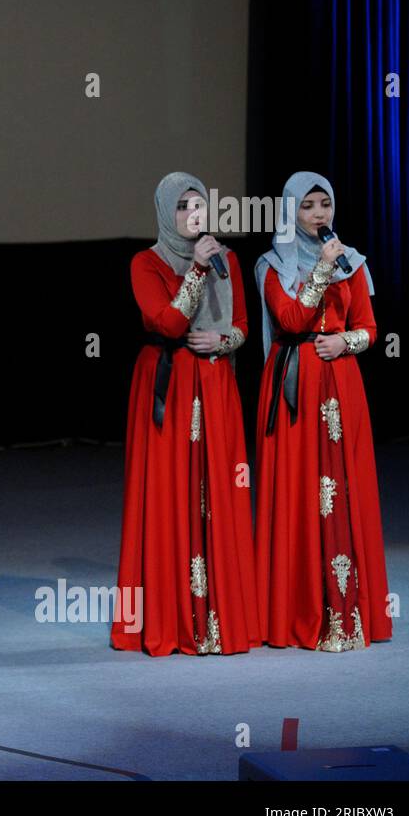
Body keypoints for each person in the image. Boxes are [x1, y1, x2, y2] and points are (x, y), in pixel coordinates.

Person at [110, 172, 261, 655]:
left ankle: (223, 616)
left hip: (216, 383)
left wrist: (225, 340)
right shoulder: (146, 262)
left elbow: (241, 325)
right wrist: (195, 271)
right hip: (169, 385)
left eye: (199, 205)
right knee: (168, 493)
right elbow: (169, 322)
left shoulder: (229, 260)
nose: (193, 214)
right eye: (183, 207)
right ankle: (169, 618)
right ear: (166, 213)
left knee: (220, 490)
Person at [254, 171, 391, 651]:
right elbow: (290, 319)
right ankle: (297, 611)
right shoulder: (272, 264)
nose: (319, 215)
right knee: (298, 490)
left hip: (341, 382)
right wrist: (319, 273)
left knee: (342, 487)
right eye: (308, 206)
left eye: (325, 205)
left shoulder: (352, 263)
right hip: (296, 382)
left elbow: (370, 329)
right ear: (292, 212)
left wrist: (345, 341)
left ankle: (347, 612)